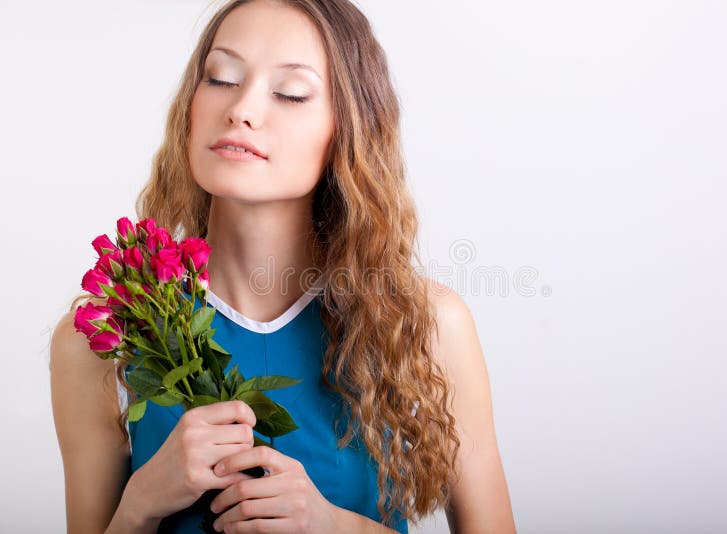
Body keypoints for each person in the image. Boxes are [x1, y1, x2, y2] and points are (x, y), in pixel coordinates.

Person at [49, 1, 516, 532]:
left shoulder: (426, 326)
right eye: (221, 78)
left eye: (290, 93)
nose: (242, 108)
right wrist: (140, 504)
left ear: (348, 129)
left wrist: (334, 525)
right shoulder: (100, 341)